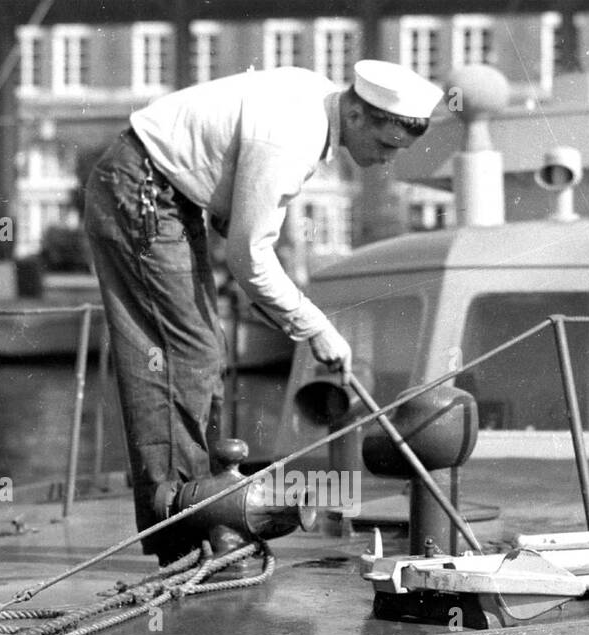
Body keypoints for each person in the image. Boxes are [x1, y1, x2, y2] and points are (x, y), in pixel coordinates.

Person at [83, 60, 443, 565]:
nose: (384, 161)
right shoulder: (293, 138)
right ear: (359, 116)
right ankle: (180, 534)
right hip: (143, 193)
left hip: (157, 192)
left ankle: (199, 514)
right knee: (182, 358)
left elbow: (238, 217)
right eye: (385, 146)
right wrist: (315, 327)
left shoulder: (316, 101)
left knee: (198, 353)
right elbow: (248, 256)